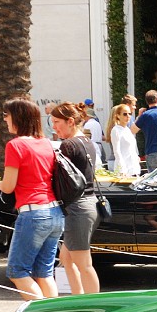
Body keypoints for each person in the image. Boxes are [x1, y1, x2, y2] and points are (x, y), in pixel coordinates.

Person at [0, 97, 64, 301]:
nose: (5, 120)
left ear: (17, 117)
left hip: (33, 213)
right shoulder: (45, 143)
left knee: (17, 271)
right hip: (55, 212)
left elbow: (8, 186)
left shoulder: (15, 145)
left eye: (6, 115)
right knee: (44, 272)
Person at [50, 101, 102, 296]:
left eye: (56, 122)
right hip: (90, 204)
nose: (54, 127)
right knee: (67, 258)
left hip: (77, 207)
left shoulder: (68, 145)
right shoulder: (87, 142)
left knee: (84, 264)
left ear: (70, 121)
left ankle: (93, 308)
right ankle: (78, 298)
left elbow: (59, 178)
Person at [107, 103, 140, 176]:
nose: (128, 116)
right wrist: (122, 169)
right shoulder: (116, 130)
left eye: (129, 114)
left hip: (134, 168)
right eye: (125, 114)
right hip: (124, 170)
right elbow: (117, 151)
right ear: (118, 116)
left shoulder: (127, 130)